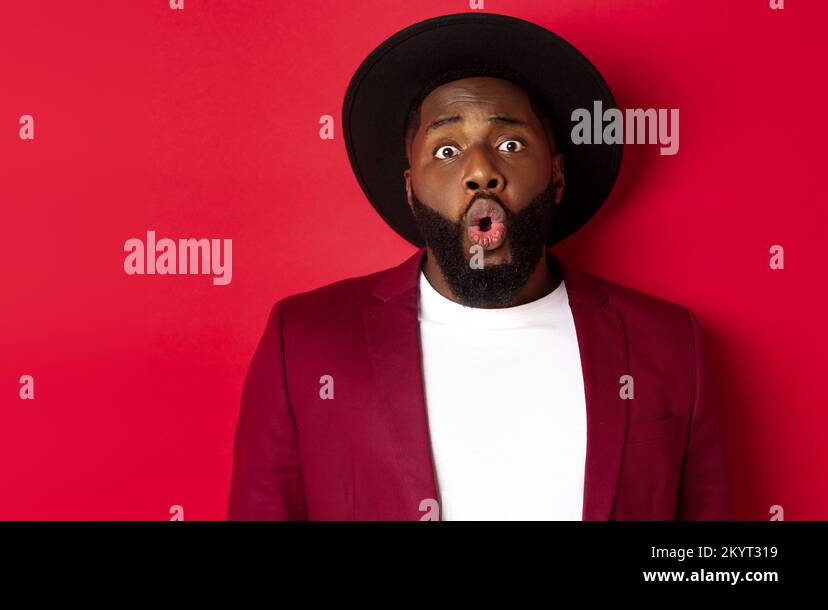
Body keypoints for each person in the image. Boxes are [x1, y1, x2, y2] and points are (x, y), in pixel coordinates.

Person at [227, 13, 732, 521]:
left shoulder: (668, 345)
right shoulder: (305, 342)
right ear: (411, 188)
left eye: (510, 144)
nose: (480, 172)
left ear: (556, 176)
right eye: (446, 150)